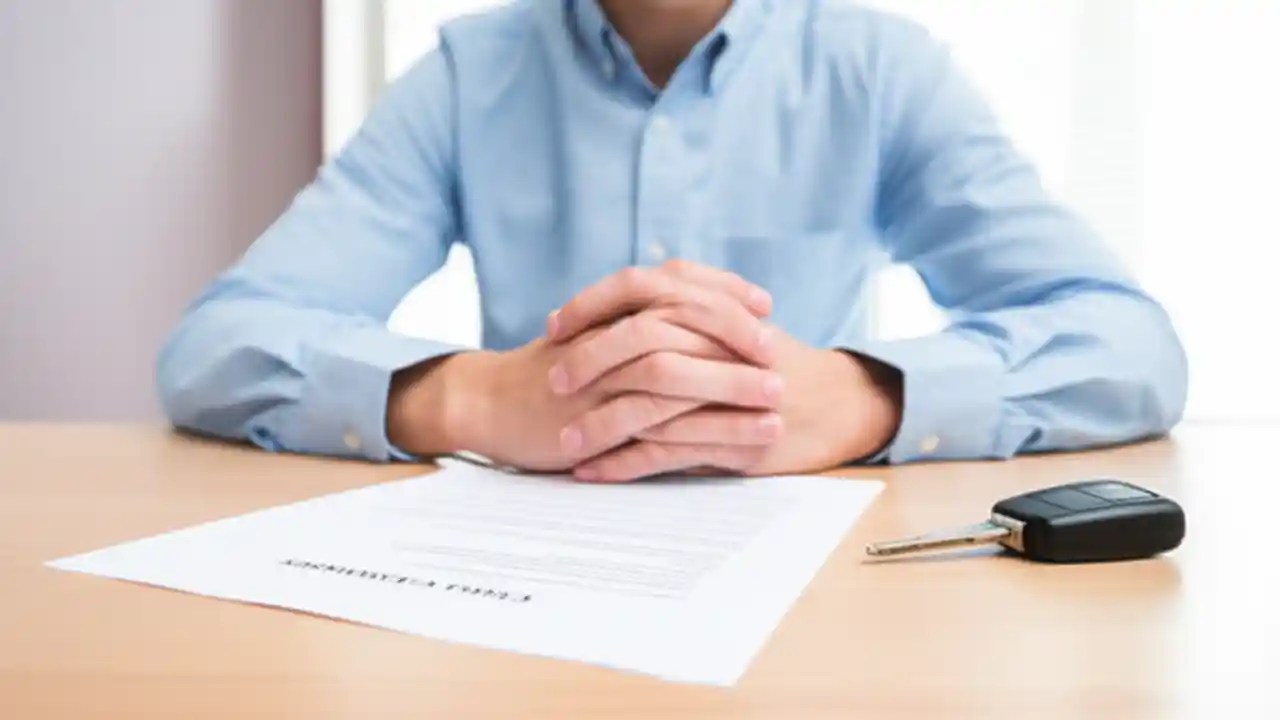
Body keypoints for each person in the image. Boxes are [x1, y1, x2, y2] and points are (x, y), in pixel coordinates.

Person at [157, 0, 1187, 482]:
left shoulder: (878, 70)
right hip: (521, 575)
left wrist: (863, 397)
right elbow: (216, 349)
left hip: (802, 584)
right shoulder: (471, 73)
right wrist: (470, 398)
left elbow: (1129, 350)